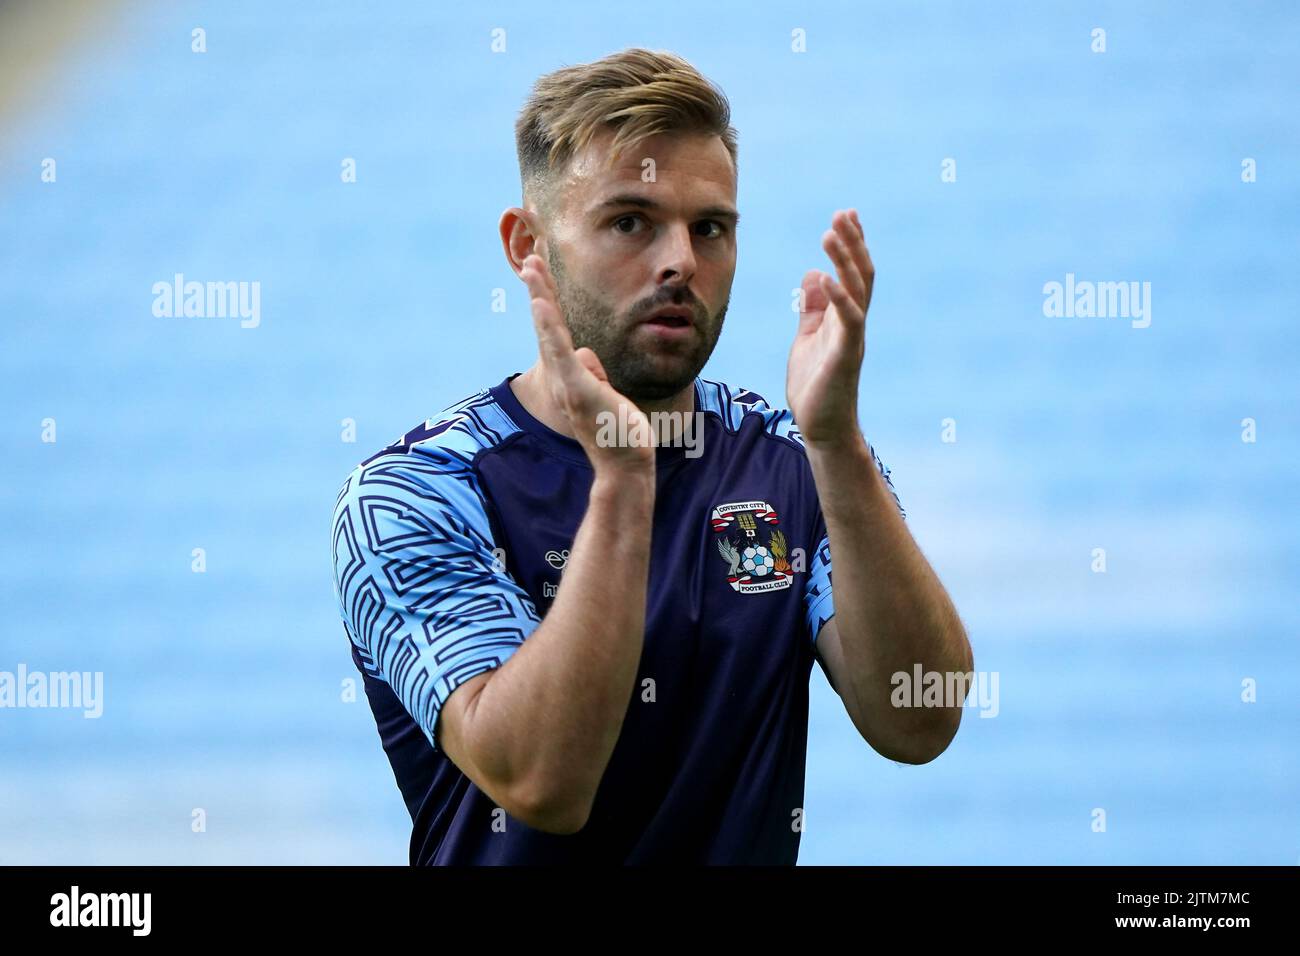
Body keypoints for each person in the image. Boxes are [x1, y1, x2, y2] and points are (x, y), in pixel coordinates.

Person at [330, 47, 973, 864]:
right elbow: (542, 782)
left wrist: (837, 445)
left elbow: (919, 719)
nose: (680, 262)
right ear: (527, 244)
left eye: (710, 228)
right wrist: (624, 481)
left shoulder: (793, 460)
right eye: (630, 220)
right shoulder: (420, 492)